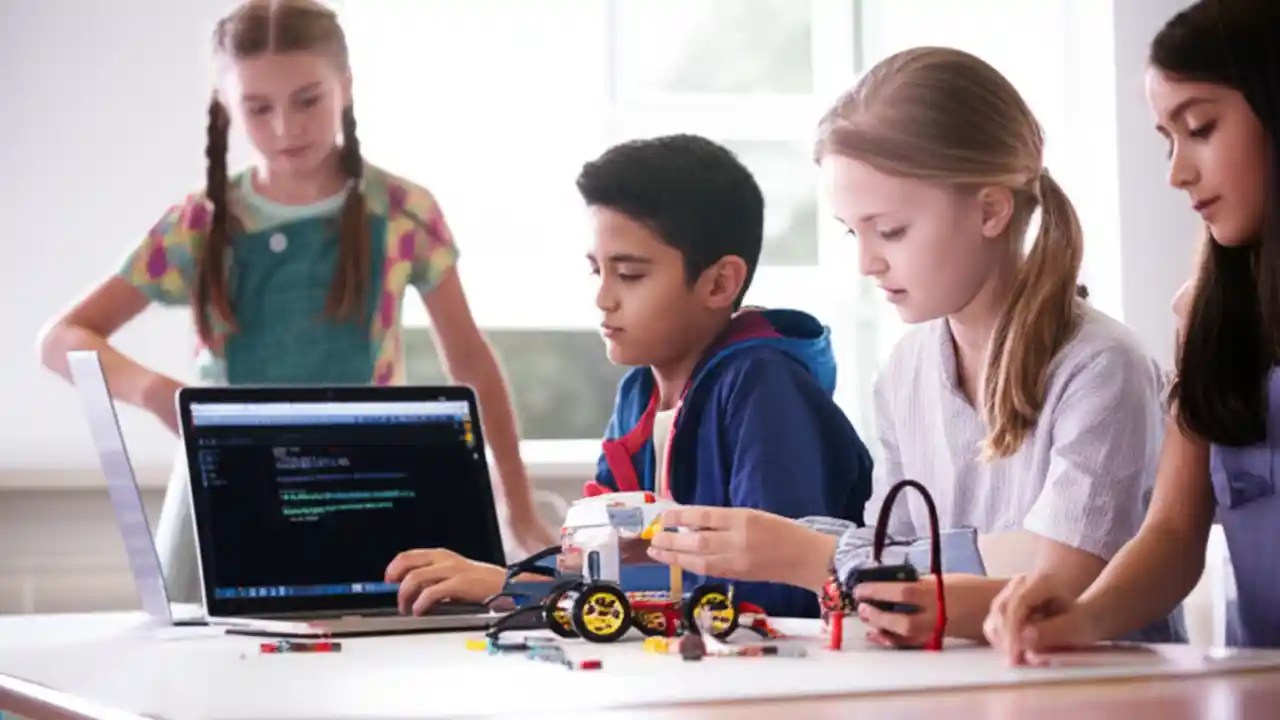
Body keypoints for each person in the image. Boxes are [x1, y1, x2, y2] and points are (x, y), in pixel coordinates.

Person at [646, 47, 1183, 646]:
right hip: (957, 679)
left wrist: (816, 556)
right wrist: (860, 568)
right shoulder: (906, 370)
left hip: (1104, 683)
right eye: (853, 232)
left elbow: (1057, 591)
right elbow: (891, 559)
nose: (867, 262)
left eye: (891, 231)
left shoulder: (1101, 366)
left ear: (990, 210)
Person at [37, 0, 552, 604]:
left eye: (307, 100)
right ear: (226, 107)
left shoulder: (405, 212)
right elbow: (62, 339)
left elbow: (470, 362)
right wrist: (156, 394)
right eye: (259, 108)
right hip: (223, 498)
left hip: (369, 493)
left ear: (346, 87)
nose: (286, 128)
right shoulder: (198, 224)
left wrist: (518, 511)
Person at [385, 134, 874, 619]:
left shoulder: (764, 388)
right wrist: (506, 582)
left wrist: (522, 589)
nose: (603, 298)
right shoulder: (639, 392)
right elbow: (591, 560)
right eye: (596, 271)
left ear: (719, 283)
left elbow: (779, 594)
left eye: (630, 275)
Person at [985, 0, 1280, 659]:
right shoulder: (1204, 316)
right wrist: (1083, 617)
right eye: (1168, 139)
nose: (1177, 172)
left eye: (1200, 128)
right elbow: (1173, 534)